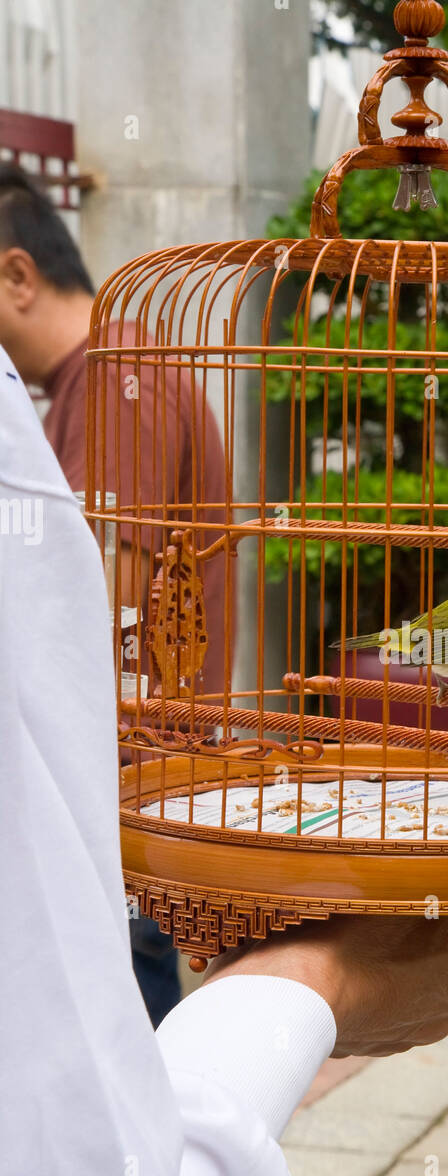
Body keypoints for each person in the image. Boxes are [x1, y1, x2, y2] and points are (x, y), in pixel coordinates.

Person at [0, 346, 448, 1176]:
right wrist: (307, 987)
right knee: (140, 989)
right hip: (153, 796)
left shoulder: (115, 384)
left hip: (149, 781)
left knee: (138, 985)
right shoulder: (128, 380)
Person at [0, 162, 228, 1026]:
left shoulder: (115, 384)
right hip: (135, 787)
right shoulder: (101, 378)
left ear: (19, 275)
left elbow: (99, 611)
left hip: (126, 792)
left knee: (130, 1079)